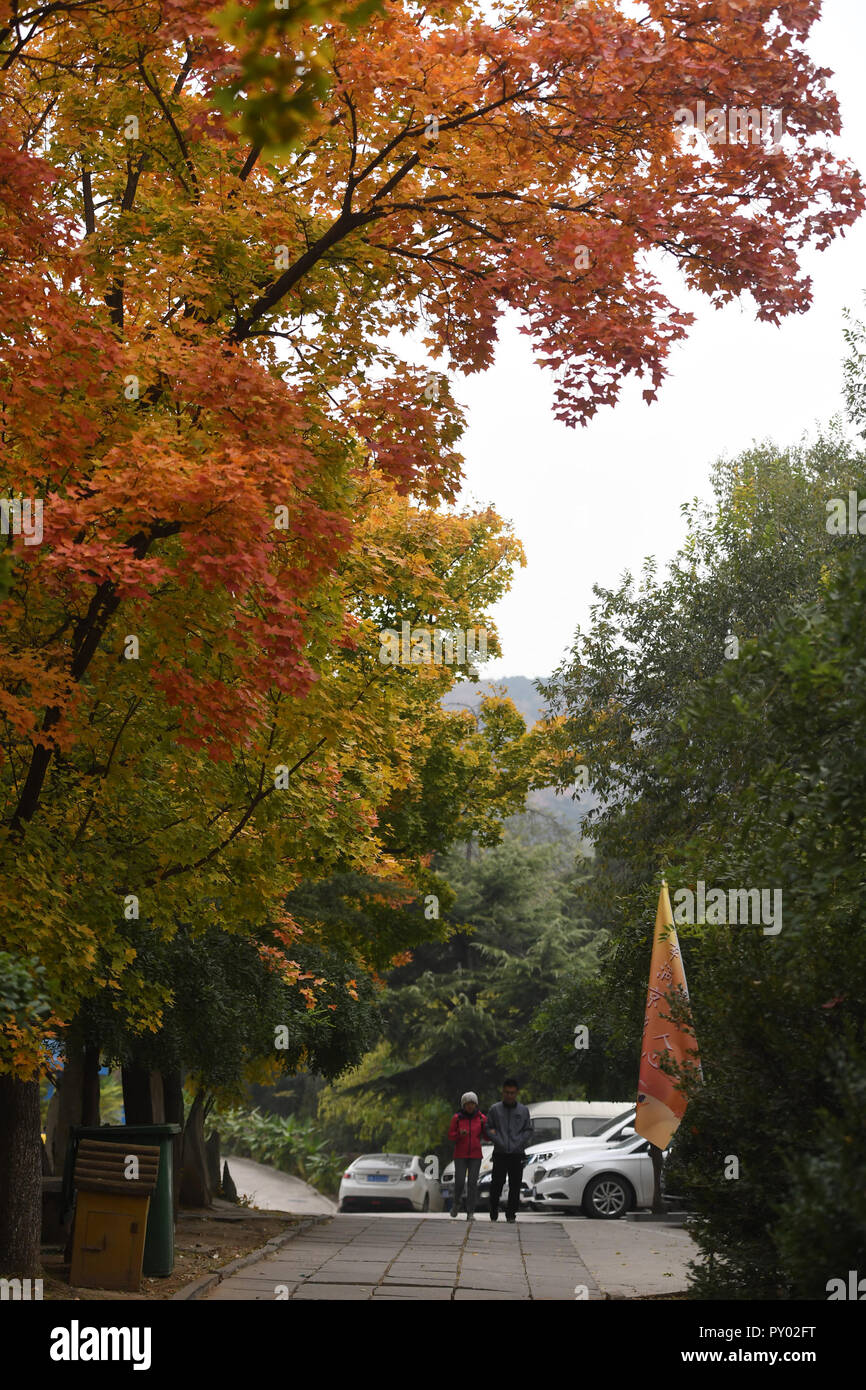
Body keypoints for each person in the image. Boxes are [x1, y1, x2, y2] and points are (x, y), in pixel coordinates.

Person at [485, 1078, 533, 1222]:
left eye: (512, 1093)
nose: (509, 1095)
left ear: (517, 1093)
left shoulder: (523, 1110)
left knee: (515, 1184)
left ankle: (511, 1213)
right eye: (507, 1092)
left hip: (517, 1153)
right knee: (497, 1182)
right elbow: (488, 1128)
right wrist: (498, 1140)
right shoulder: (495, 1109)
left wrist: (519, 1142)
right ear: (503, 1092)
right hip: (500, 1153)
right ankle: (493, 1207)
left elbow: (528, 1130)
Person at [447, 1091, 487, 1220]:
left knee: (472, 1183)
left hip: (475, 1155)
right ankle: (456, 1204)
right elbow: (450, 1136)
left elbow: (486, 1137)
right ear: (463, 1105)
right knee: (459, 1181)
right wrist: (459, 1134)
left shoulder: (481, 1118)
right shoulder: (457, 1118)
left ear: (476, 1105)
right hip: (460, 1155)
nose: (470, 1106)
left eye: (472, 1104)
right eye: (467, 1104)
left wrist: (488, 1129)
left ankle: (470, 1212)